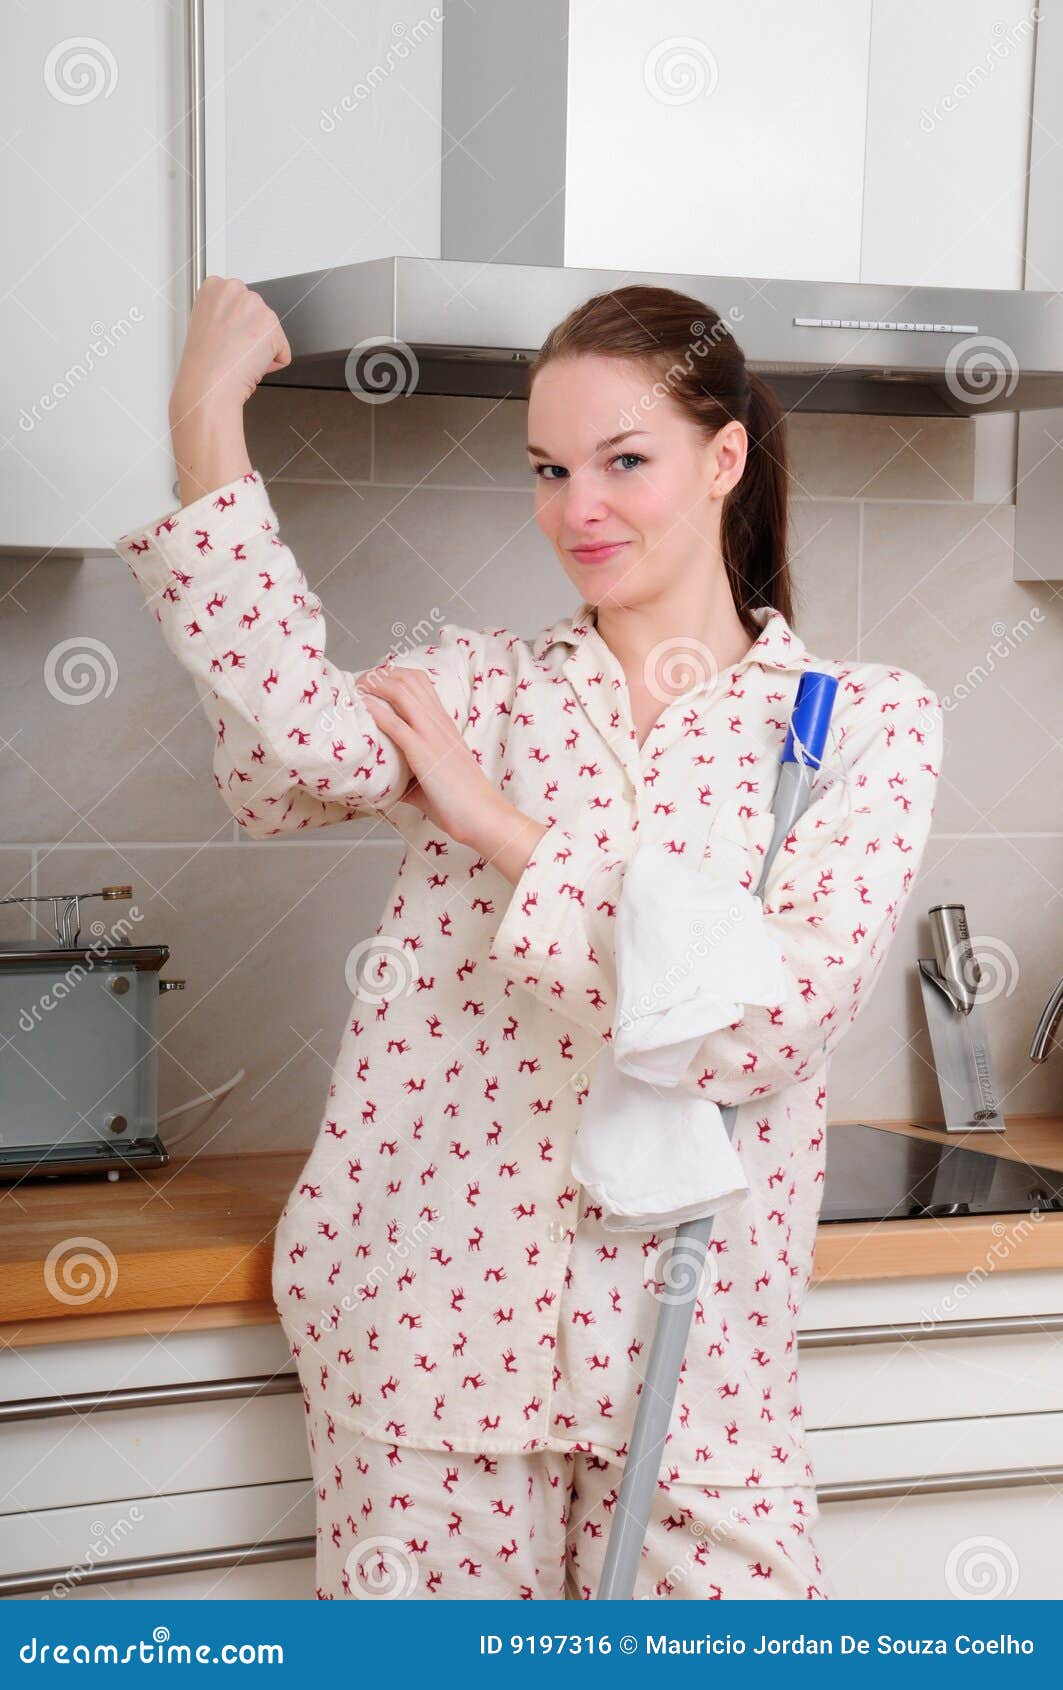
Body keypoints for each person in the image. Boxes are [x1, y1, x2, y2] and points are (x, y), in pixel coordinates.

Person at [114, 276, 943, 1601]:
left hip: (697, 1387)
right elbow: (286, 761)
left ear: (725, 458)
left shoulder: (859, 724)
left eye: (624, 461)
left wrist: (500, 828)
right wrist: (204, 419)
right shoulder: (482, 686)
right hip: (429, 1356)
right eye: (550, 470)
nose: (579, 509)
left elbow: (760, 1026)